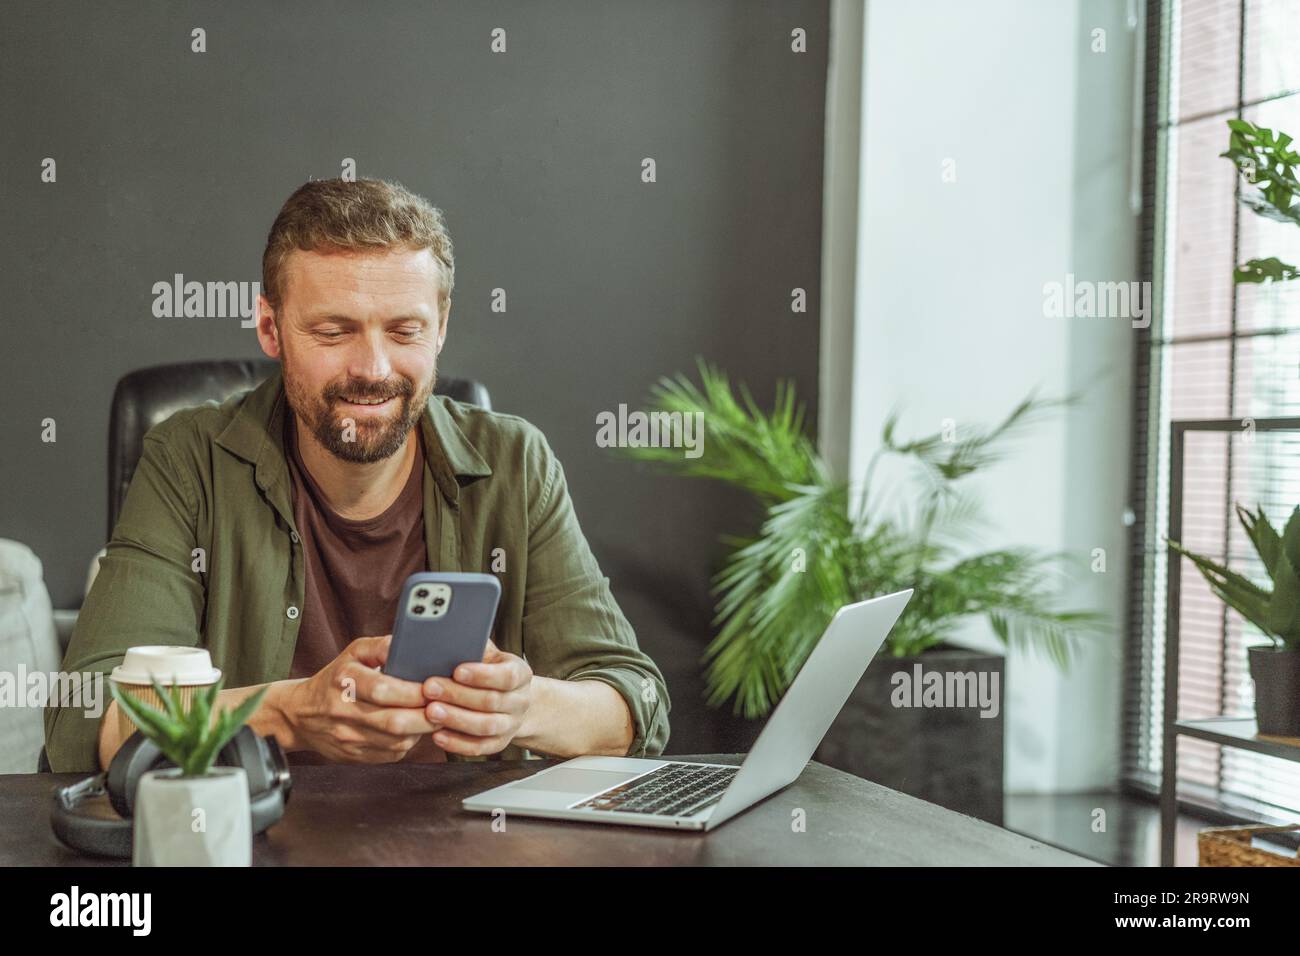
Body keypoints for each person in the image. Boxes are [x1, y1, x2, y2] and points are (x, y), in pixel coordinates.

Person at [44, 177, 670, 772]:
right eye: (333, 331)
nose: (372, 369)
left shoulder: (516, 463)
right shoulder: (190, 460)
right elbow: (86, 721)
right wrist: (291, 713)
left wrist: (523, 708)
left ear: (441, 329)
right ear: (271, 327)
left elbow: (634, 704)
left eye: (404, 331)